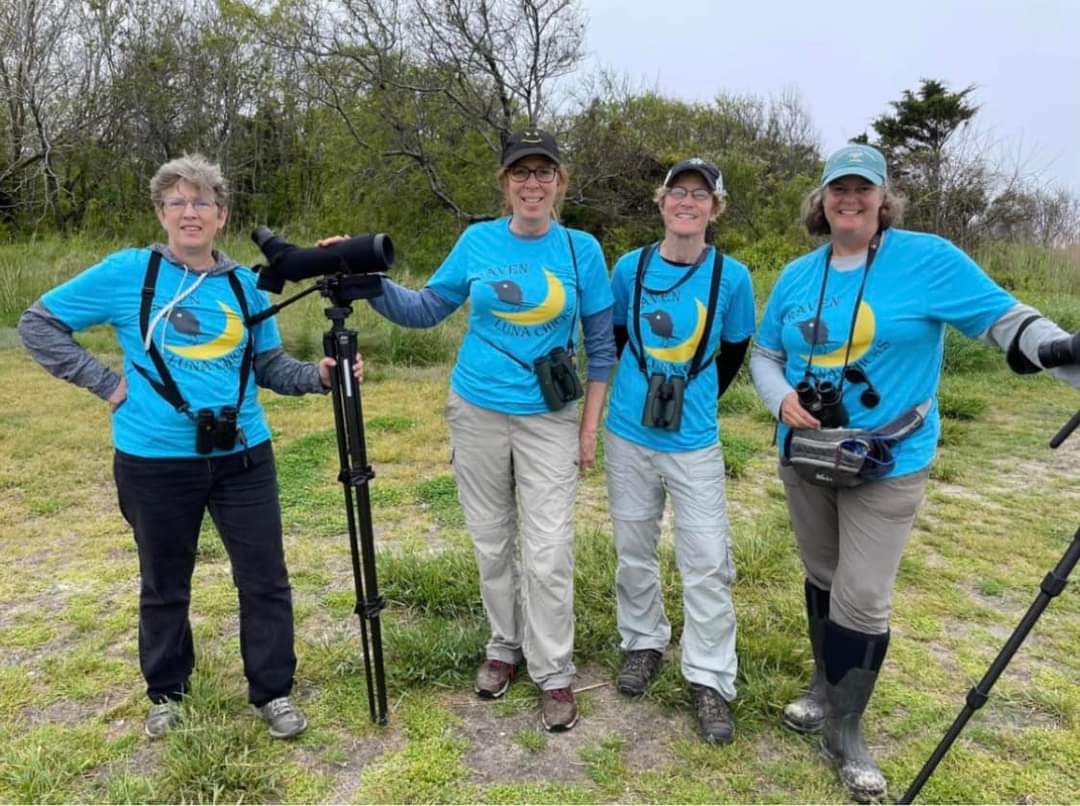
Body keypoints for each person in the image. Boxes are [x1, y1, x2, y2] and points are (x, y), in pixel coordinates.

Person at [750, 143, 1080, 801]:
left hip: (888, 461)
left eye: (862, 188)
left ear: (882, 197)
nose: (850, 199)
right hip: (807, 456)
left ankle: (846, 729)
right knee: (822, 576)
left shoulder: (927, 259)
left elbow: (1005, 321)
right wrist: (779, 396)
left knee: (863, 596)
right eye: (838, 189)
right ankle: (823, 689)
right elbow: (766, 351)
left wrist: (1063, 354)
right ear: (821, 200)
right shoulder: (796, 274)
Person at [18, 154, 363, 741]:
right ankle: (168, 695)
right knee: (164, 581)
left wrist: (321, 376)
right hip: (153, 460)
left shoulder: (245, 285)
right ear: (160, 213)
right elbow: (38, 323)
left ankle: (273, 691)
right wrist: (104, 382)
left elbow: (270, 366)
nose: (189, 212)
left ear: (222, 214)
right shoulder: (128, 273)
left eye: (202, 201)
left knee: (264, 578)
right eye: (176, 201)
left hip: (244, 455)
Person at [334, 128, 615, 732]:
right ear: (505, 183)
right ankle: (503, 647)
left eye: (544, 173)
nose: (532, 184)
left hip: (550, 419)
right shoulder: (477, 240)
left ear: (560, 182)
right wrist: (362, 278)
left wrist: (588, 431)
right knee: (491, 541)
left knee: (548, 552)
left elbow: (601, 349)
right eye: (521, 173)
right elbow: (425, 309)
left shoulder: (582, 251)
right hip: (477, 408)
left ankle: (556, 672)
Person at [604, 158, 755, 744]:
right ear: (661, 202)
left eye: (701, 194)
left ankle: (711, 676)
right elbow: (617, 338)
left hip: (693, 440)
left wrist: (691, 395)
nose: (687, 202)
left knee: (706, 559)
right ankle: (643, 642)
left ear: (715, 208)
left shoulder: (733, 277)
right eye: (677, 192)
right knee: (634, 545)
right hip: (628, 433)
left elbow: (735, 351)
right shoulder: (629, 268)